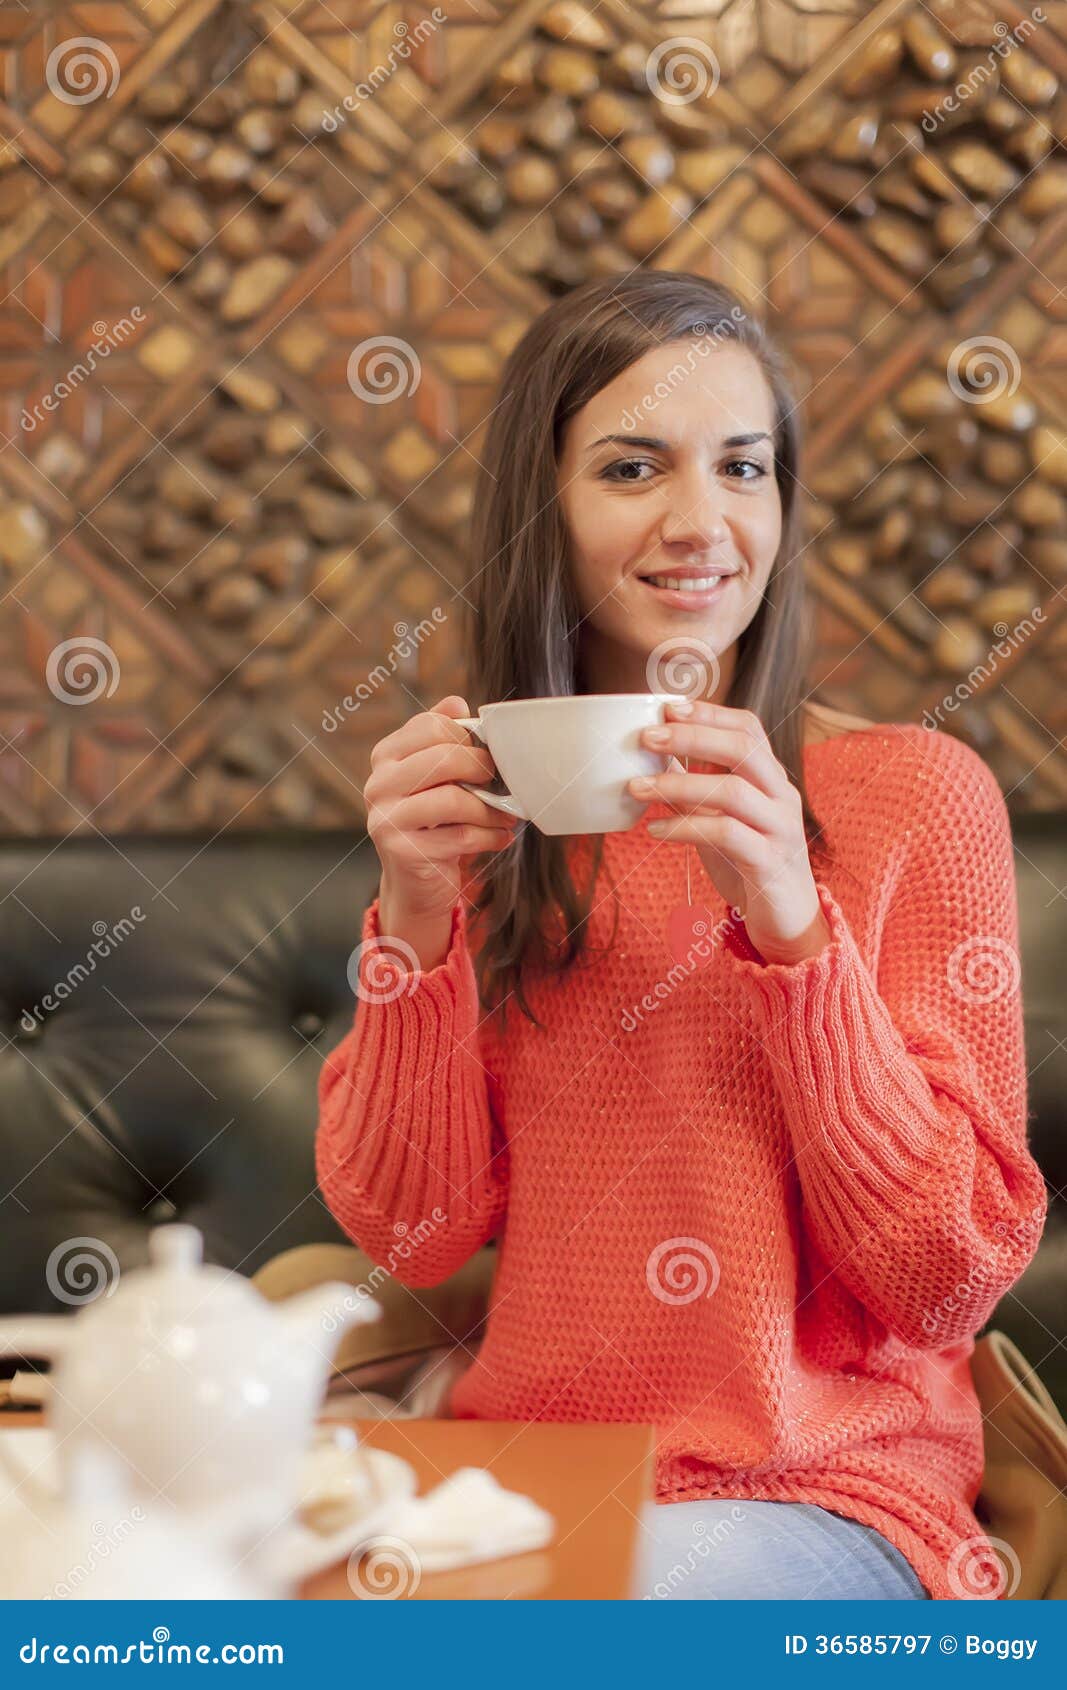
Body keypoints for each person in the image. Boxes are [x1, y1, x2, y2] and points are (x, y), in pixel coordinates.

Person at [316, 270, 1046, 1601]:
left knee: (585, 1614)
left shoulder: (914, 799)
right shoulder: (489, 816)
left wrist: (792, 928)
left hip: (824, 1495)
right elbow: (409, 1236)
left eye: (744, 467)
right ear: (546, 510)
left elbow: (945, 1282)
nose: (702, 522)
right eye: (634, 466)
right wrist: (413, 927)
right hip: (522, 1478)